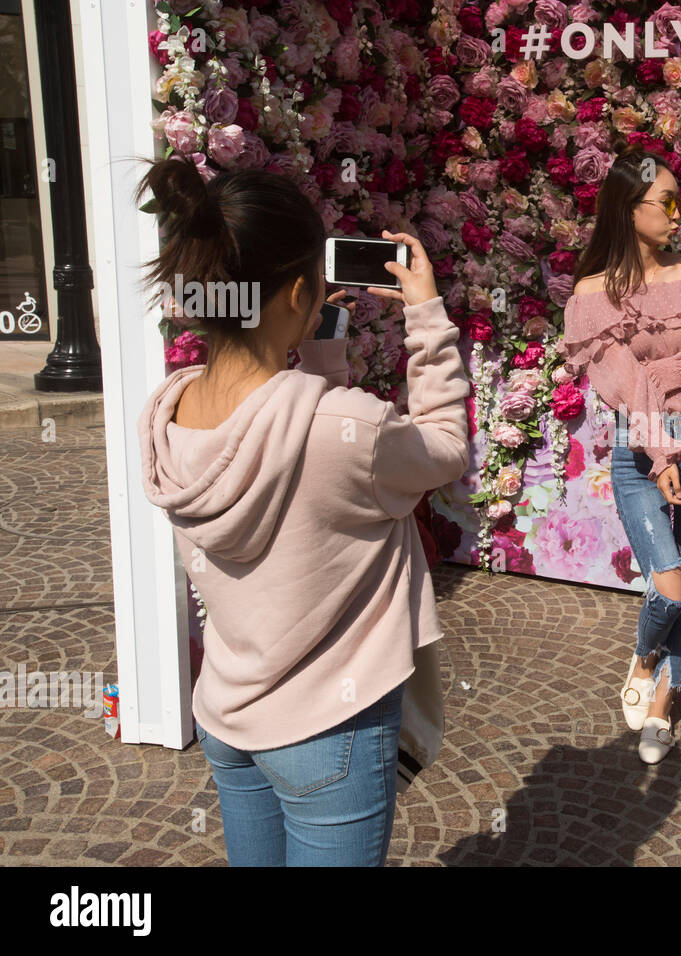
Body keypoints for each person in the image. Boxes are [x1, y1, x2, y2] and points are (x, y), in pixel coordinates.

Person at [135, 157, 470, 865]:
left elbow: (292, 441)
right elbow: (443, 448)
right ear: (296, 292)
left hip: (228, 711)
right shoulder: (347, 429)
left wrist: (317, 350)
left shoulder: (170, 413)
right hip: (329, 727)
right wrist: (425, 314)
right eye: (313, 288)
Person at [559, 148, 681, 764]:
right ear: (626, 209)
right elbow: (617, 383)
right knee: (666, 588)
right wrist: (660, 446)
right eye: (662, 201)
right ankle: (643, 655)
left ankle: (662, 707)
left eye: (678, 199)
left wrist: (649, 376)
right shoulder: (592, 294)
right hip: (638, 454)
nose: (676, 212)